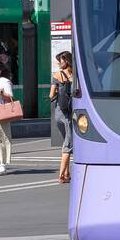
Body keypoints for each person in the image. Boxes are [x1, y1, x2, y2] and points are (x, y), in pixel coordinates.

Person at [49, 50, 76, 183]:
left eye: (60, 60)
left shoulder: (56, 75)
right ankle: (61, 175)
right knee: (68, 144)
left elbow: (51, 95)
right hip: (69, 113)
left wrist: (57, 96)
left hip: (58, 112)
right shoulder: (75, 76)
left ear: (66, 61)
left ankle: (67, 174)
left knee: (66, 141)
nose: (58, 63)